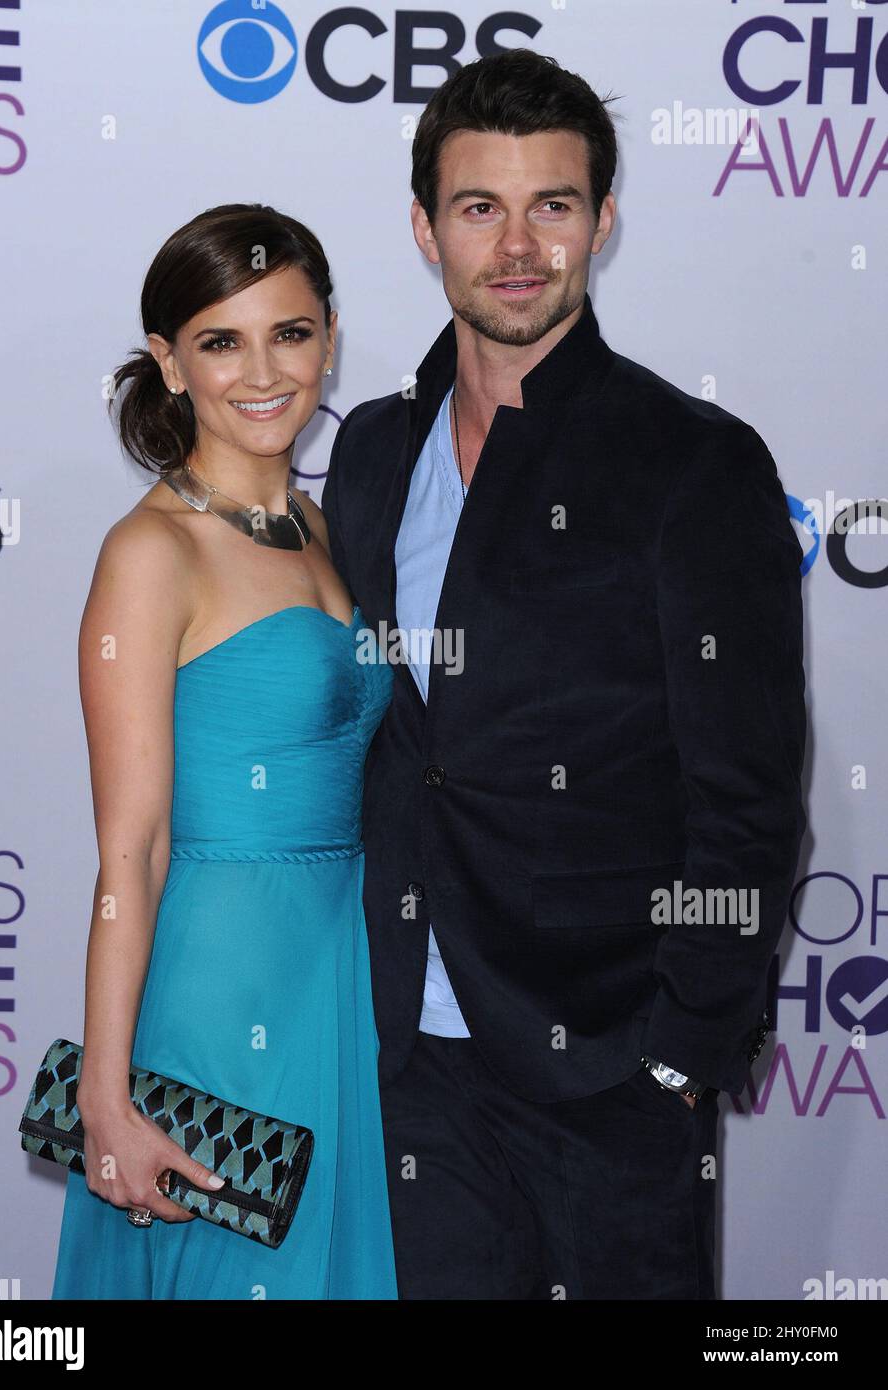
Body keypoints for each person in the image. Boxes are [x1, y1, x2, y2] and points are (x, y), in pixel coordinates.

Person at [321, 50, 807, 1299]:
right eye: (481, 206)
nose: (520, 244)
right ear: (424, 228)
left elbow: (745, 796)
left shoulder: (690, 464)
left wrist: (679, 1049)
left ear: (602, 220)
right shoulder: (372, 449)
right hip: (408, 1067)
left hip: (610, 1074)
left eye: (555, 204)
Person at [50, 203, 397, 1300]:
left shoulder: (330, 528)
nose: (263, 371)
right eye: (220, 340)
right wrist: (107, 1094)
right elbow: (133, 848)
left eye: (289, 334)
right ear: (168, 359)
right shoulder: (151, 551)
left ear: (329, 339)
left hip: (342, 967)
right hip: (216, 976)